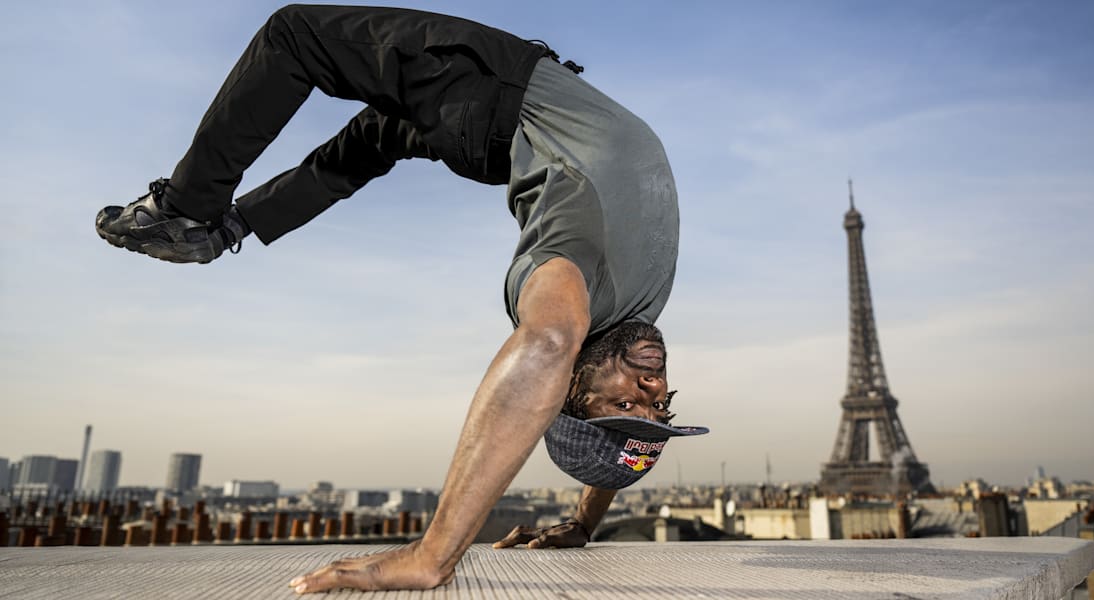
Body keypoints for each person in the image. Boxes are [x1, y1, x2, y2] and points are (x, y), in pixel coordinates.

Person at [95, 5, 705, 593]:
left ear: (567, 389)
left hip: (501, 94)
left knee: (296, 35)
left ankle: (184, 211)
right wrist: (584, 522)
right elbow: (623, 445)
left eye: (625, 403)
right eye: (659, 406)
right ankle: (235, 226)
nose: (652, 390)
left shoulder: (564, 285)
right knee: (370, 141)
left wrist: (434, 556)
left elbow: (548, 342)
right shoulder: (632, 326)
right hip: (495, 133)